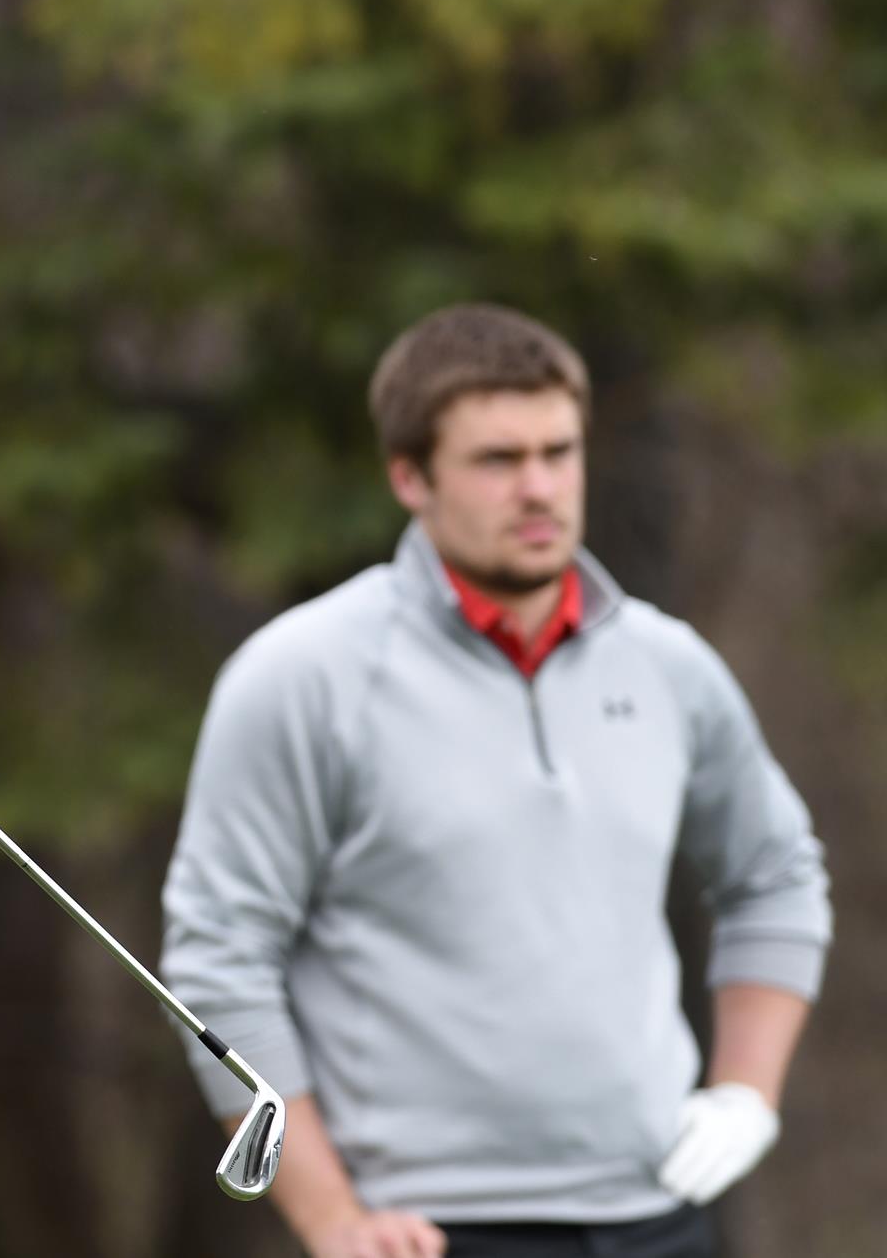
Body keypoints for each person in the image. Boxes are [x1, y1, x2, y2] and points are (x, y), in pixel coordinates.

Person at [160, 303, 831, 1258]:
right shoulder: (302, 676)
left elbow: (776, 874)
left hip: (665, 1215)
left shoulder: (668, 665)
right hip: (427, 1231)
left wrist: (746, 1094)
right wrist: (329, 1215)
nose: (539, 487)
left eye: (559, 452)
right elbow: (218, 955)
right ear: (410, 476)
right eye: (498, 459)